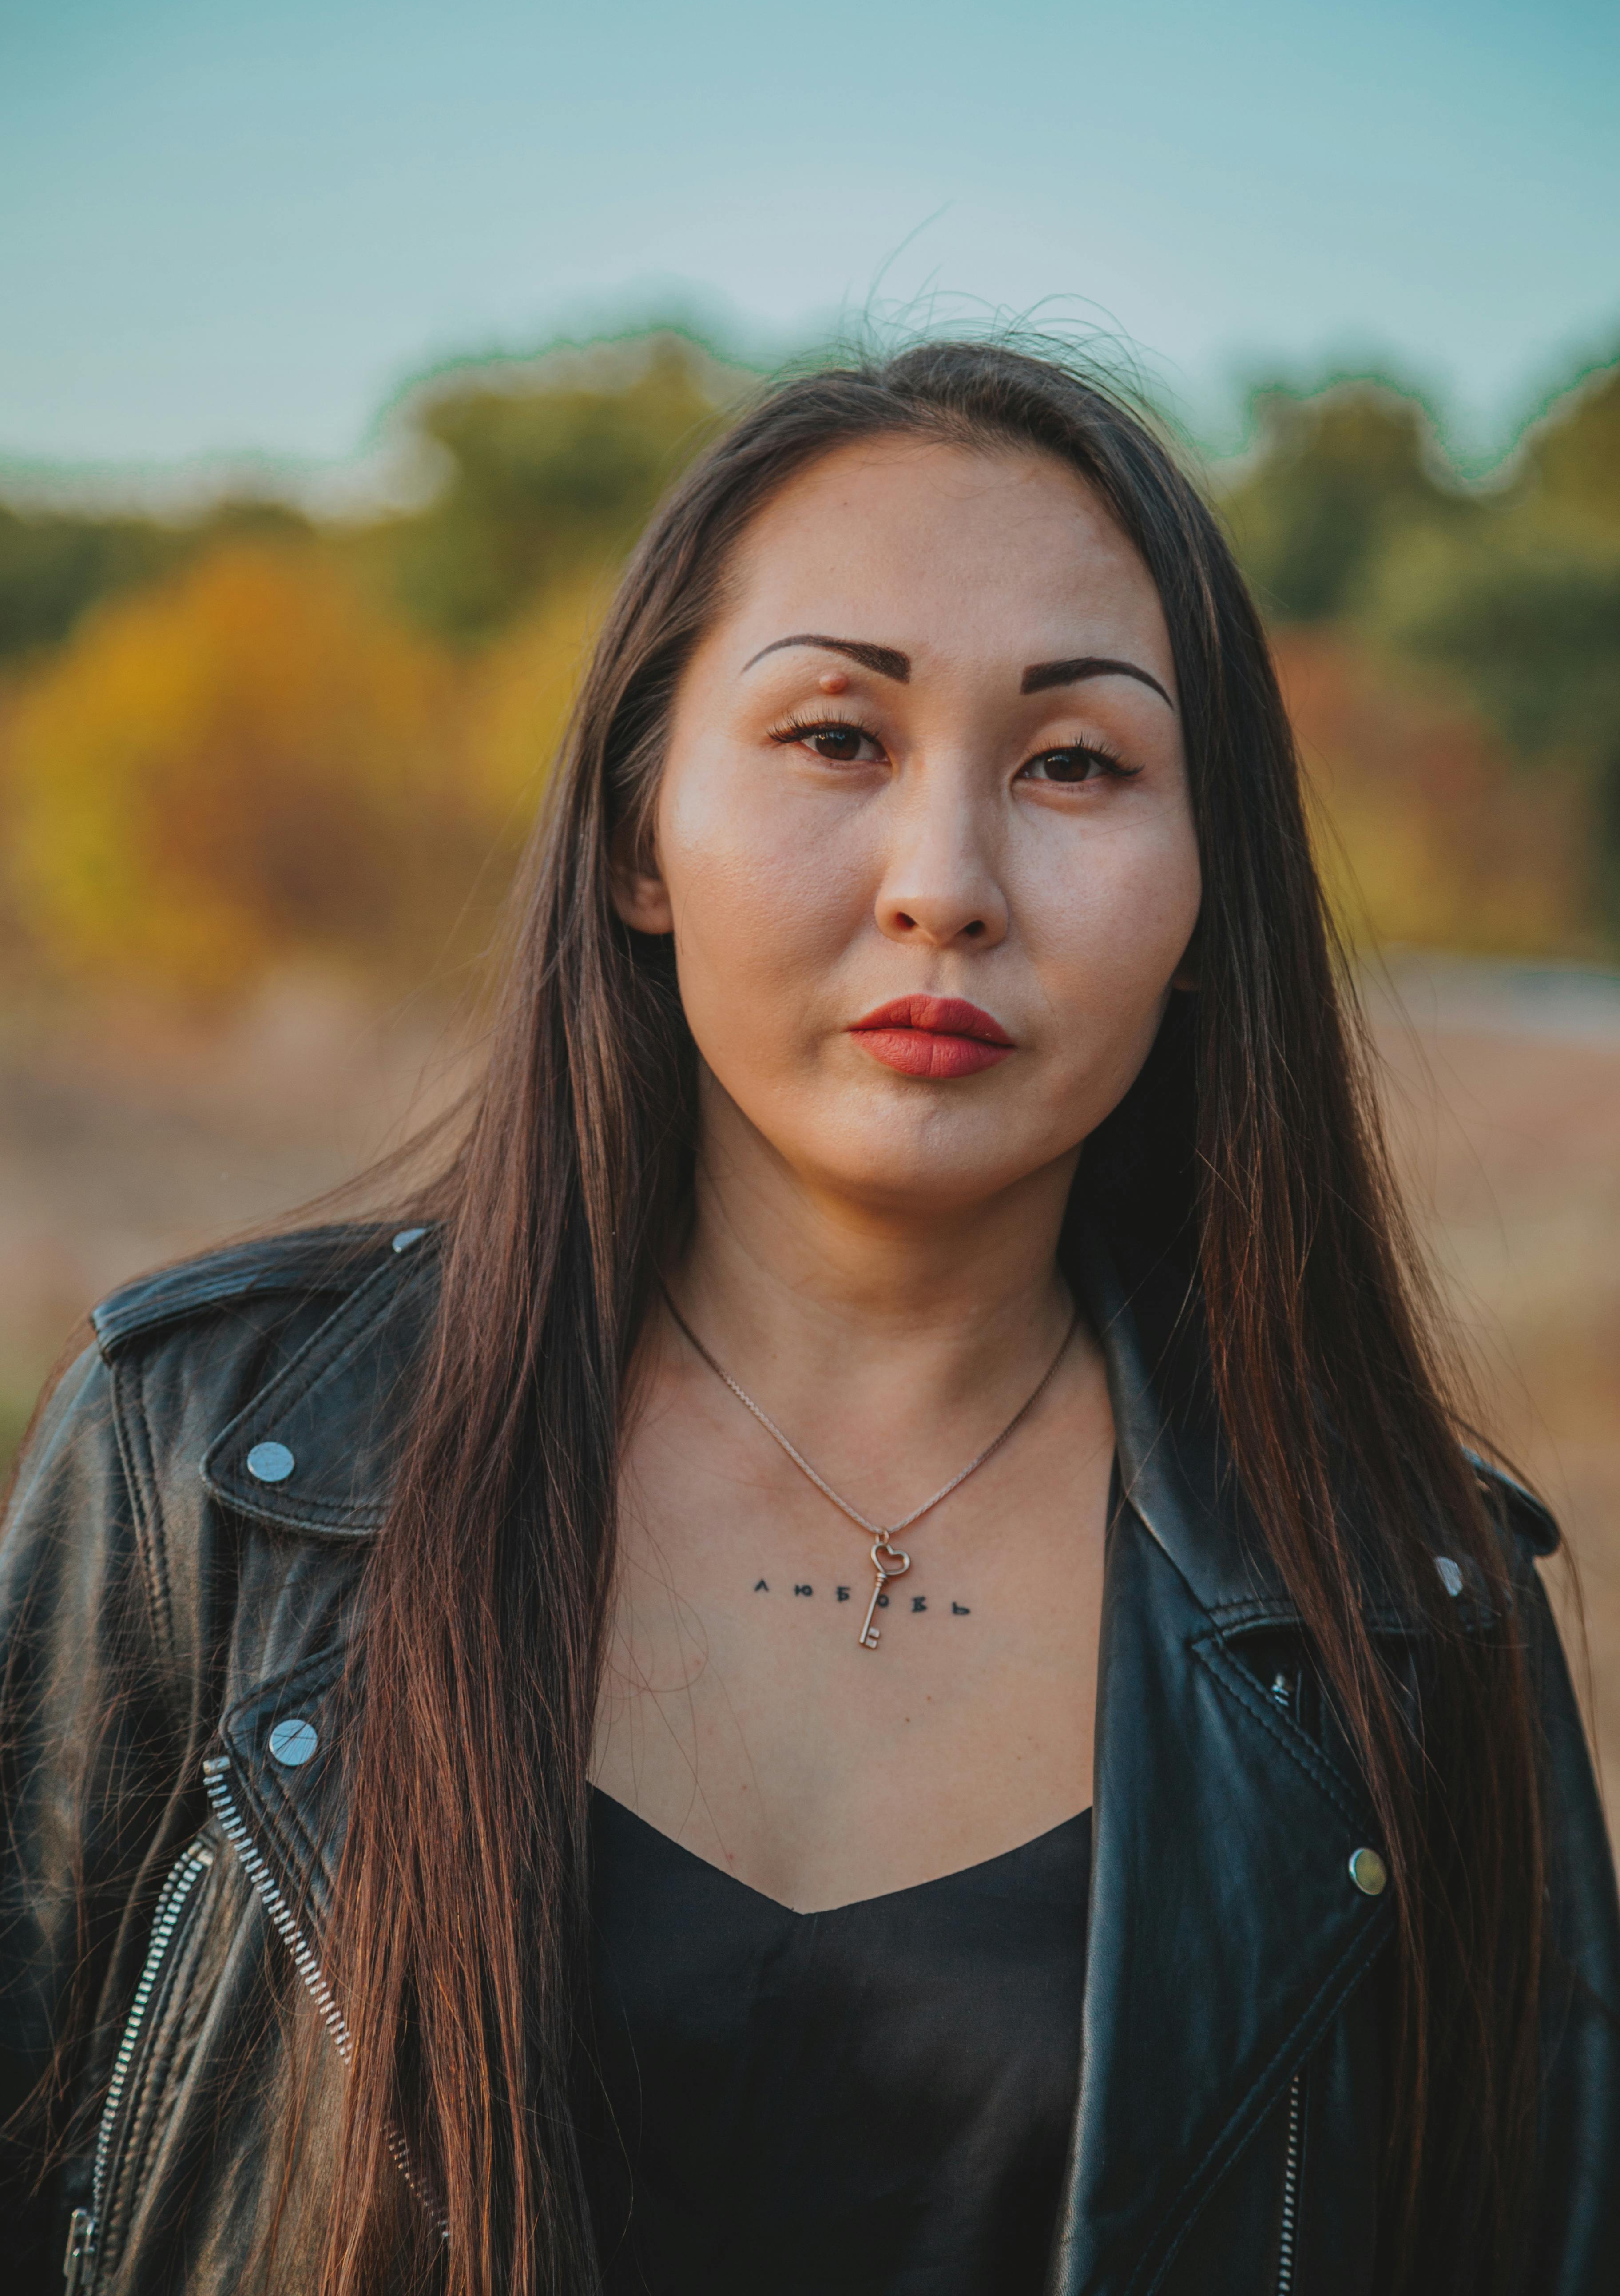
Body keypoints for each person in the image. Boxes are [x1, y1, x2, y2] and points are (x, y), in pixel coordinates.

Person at [2, 342, 1616, 2296]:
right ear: (632, 837)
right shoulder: (204, 1473)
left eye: (1077, 764)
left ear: (1211, 903)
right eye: (837, 738)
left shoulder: (1410, 1610)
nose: (947, 885)